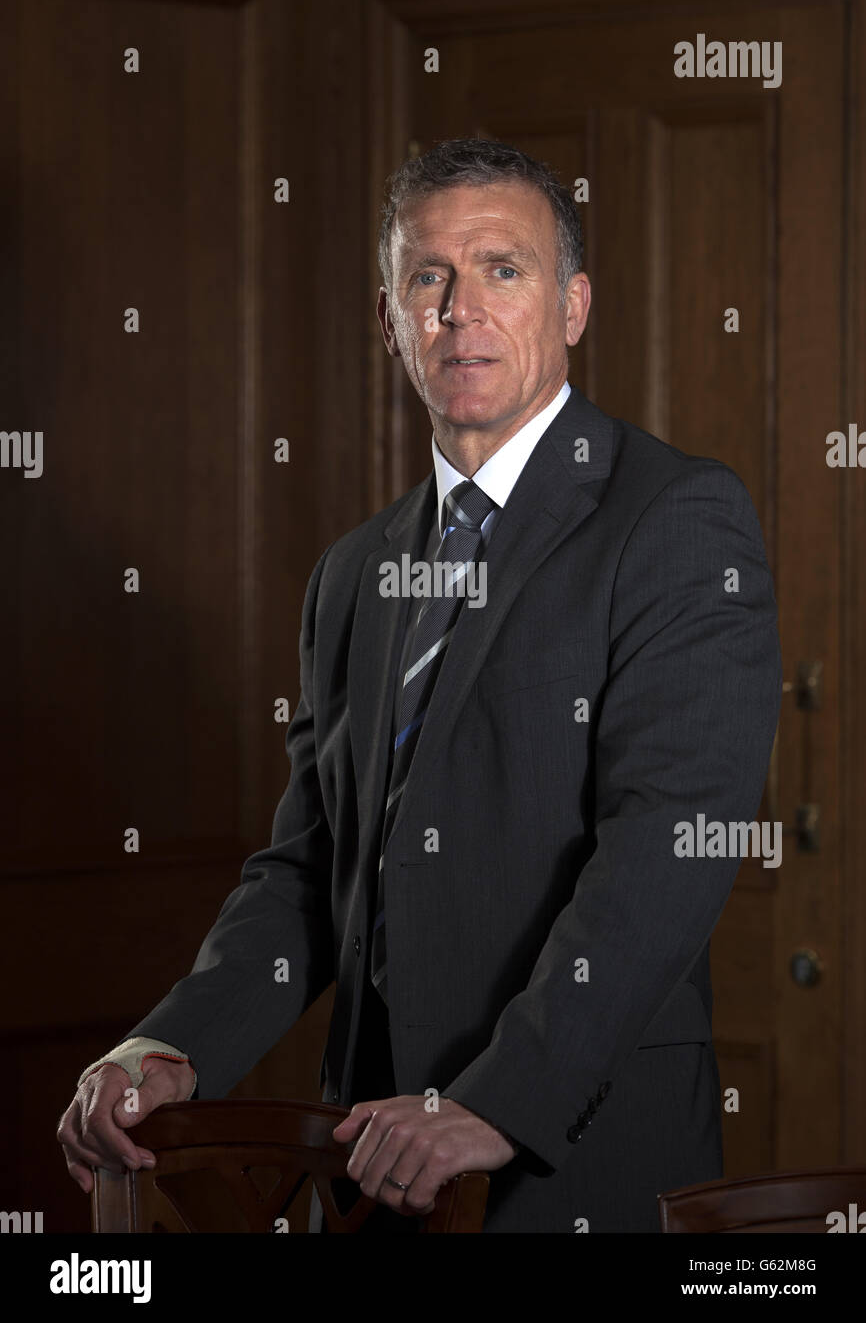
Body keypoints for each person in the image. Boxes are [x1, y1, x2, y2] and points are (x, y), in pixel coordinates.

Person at [58, 137, 782, 1233]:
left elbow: (667, 847)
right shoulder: (353, 573)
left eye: (502, 268)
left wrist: (494, 1102)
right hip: (370, 1168)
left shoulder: (672, 517)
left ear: (573, 304)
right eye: (426, 277)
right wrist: (172, 1043)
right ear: (389, 317)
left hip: (571, 1159)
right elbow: (307, 875)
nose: (459, 309)